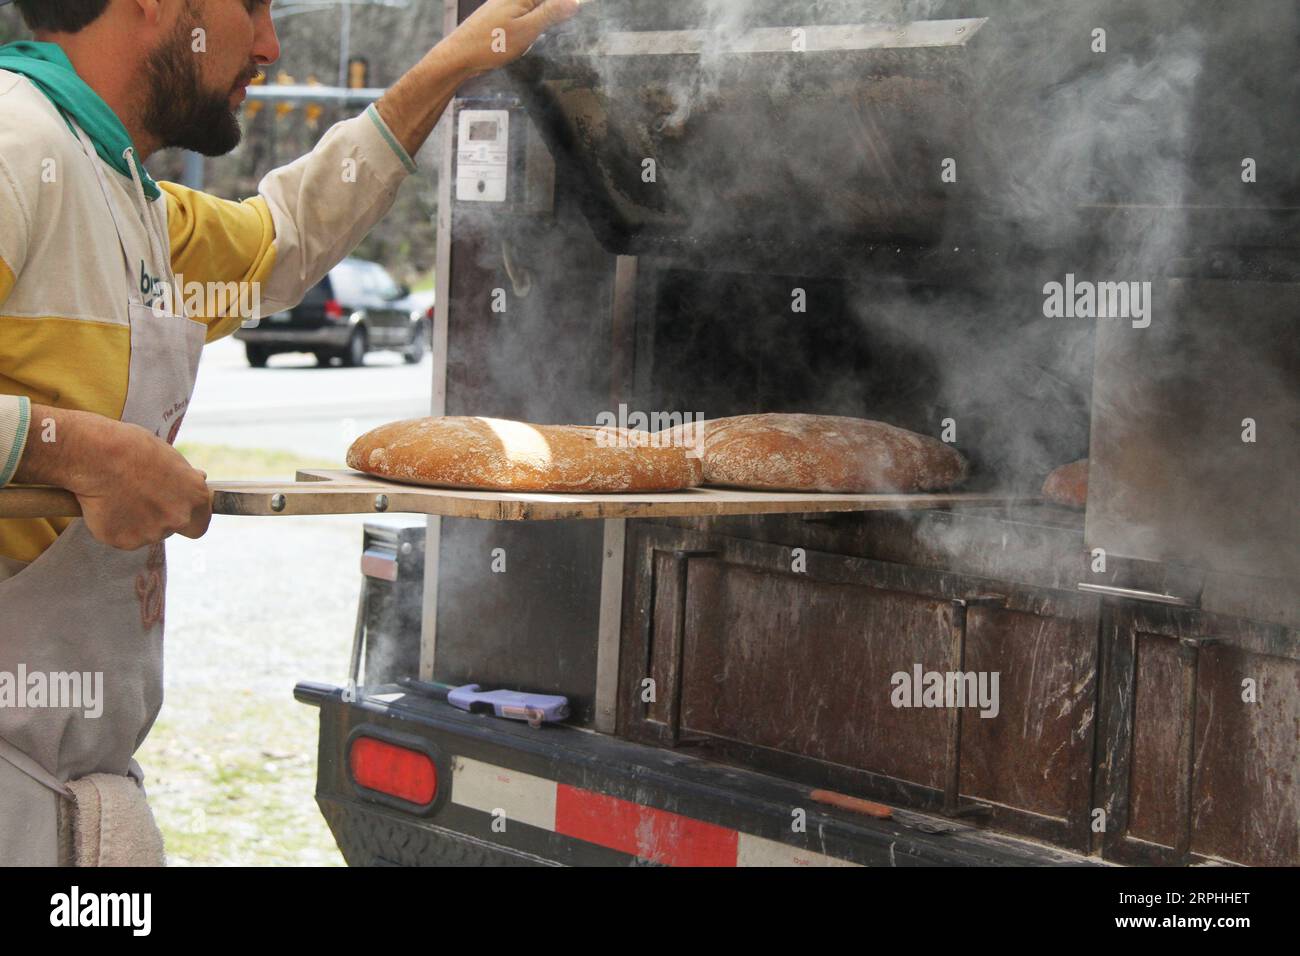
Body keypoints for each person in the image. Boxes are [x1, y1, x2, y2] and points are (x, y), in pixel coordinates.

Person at [0, 0, 581, 865]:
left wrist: (447, 67)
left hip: (53, 802)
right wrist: (78, 451)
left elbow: (281, 242)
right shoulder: (17, 146)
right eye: (252, 5)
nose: (269, 44)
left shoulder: (123, 196)